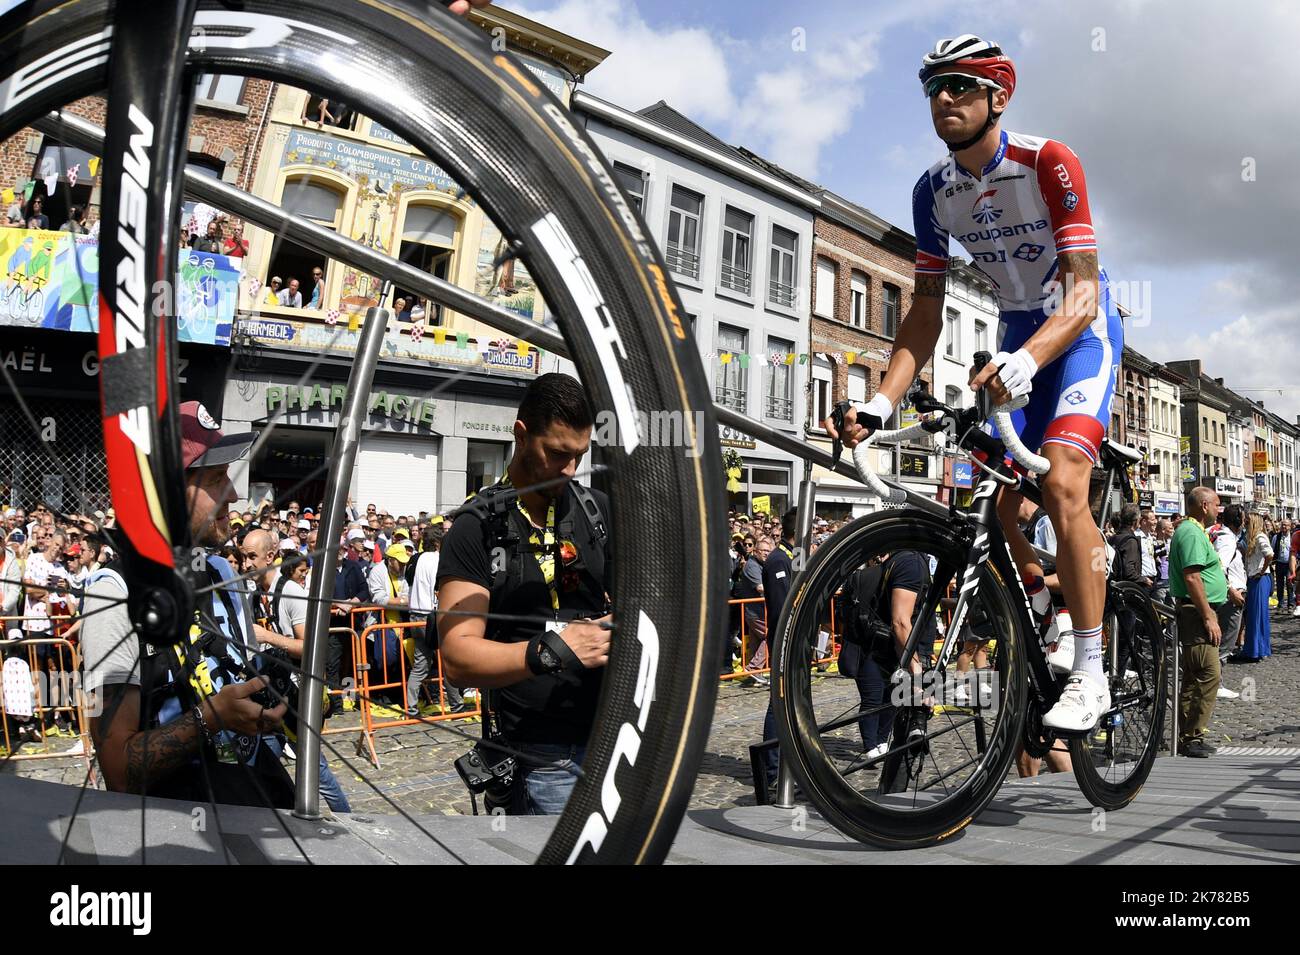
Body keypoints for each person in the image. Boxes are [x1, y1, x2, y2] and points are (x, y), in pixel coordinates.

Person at [826, 34, 1121, 734]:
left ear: (998, 95)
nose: (945, 98)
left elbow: (1081, 291)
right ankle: (1037, 593)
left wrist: (1029, 360)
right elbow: (925, 310)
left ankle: (1091, 670)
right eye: (934, 88)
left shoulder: (1049, 160)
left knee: (1063, 484)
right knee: (987, 495)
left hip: (1077, 330)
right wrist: (878, 401)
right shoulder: (933, 191)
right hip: (1016, 332)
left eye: (960, 85)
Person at [82, 401, 295, 805]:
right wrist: (210, 717)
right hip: (176, 827)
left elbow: (239, 677)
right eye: (216, 479)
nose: (233, 492)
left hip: (257, 796)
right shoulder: (112, 593)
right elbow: (117, 768)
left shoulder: (221, 571)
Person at [437, 373, 611, 815]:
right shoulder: (475, 526)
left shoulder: (597, 511)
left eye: (580, 456)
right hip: (540, 754)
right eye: (557, 453)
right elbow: (457, 657)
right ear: (520, 434)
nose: (570, 469)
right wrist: (552, 650)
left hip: (612, 737)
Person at [1168, 487, 1229, 758]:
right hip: (1196, 613)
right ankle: (1192, 736)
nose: (1220, 509)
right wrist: (1208, 615)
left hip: (1198, 610)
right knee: (1208, 674)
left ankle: (1190, 736)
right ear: (1204, 505)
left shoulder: (1192, 530)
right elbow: (1192, 577)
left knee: (1195, 676)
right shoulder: (1191, 532)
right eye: (1217, 504)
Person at [405, 524, 466, 716]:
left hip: (415, 615)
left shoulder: (418, 558)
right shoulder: (437, 560)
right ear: (439, 542)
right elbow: (440, 589)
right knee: (448, 661)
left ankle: (411, 707)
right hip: (431, 617)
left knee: (420, 665)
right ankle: (457, 704)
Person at [758, 509, 798, 788]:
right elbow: (785, 607)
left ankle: (786, 763)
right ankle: (772, 771)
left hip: (794, 640)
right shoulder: (778, 560)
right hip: (784, 640)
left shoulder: (792, 557)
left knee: (790, 702)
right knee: (778, 702)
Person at [367, 542, 411, 701]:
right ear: (390, 560)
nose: (402, 565)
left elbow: (407, 594)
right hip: (382, 623)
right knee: (386, 659)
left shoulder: (405, 570)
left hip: (402, 622)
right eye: (399, 562)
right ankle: (381, 694)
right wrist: (402, 601)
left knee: (403, 659)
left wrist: (401, 601)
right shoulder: (377, 571)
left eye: (403, 562)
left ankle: (398, 695)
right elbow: (379, 598)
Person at [1209, 506, 1247, 664]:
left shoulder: (1226, 537)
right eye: (1243, 519)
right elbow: (1219, 567)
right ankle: (1216, 685)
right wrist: (1231, 591)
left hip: (1230, 596)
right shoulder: (1227, 539)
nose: (1244, 523)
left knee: (1225, 643)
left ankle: (1216, 683)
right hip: (1230, 598)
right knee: (1225, 644)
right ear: (1237, 520)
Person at [1237, 512, 1274, 662]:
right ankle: (1257, 649)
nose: (1244, 524)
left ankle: (1255, 650)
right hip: (1254, 579)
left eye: (1247, 521)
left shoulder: (1259, 536)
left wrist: (1262, 570)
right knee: (1254, 615)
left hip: (1260, 579)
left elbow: (1269, 555)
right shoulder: (1252, 538)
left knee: (1257, 616)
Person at [1272, 519, 1292, 614]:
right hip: (1279, 563)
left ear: (1290, 526)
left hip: (1289, 564)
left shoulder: (1292, 537)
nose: (1284, 527)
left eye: (1286, 525)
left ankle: (1290, 605)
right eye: (1282, 525)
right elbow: (1272, 550)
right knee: (1279, 585)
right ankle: (1280, 605)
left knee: (1289, 584)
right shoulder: (1276, 537)